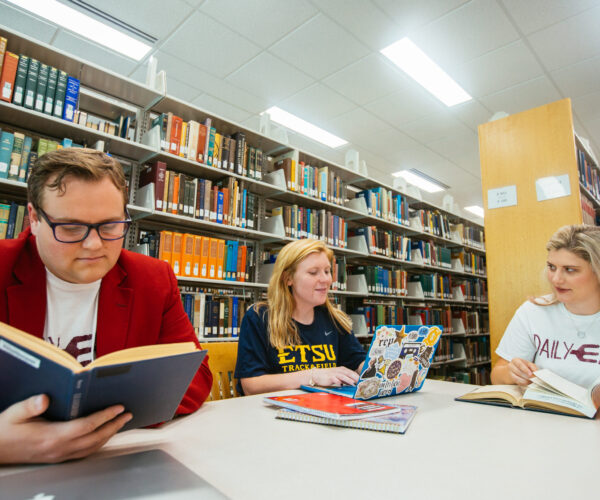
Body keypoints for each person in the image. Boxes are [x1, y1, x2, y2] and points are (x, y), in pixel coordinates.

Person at [0, 148, 212, 464]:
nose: (94, 245)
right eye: (71, 227)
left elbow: (194, 377)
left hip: (116, 459)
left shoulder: (152, 278)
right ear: (34, 218)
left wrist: (101, 423)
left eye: (110, 226)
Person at [234, 238, 365, 395]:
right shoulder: (258, 317)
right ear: (288, 278)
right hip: (272, 412)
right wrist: (313, 376)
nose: (325, 279)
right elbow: (251, 385)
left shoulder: (334, 319)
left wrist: (383, 368)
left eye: (327, 271)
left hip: (323, 408)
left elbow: (358, 362)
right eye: (313, 272)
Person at [491, 224, 600, 408]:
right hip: (543, 421)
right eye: (551, 267)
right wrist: (512, 373)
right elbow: (497, 375)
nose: (556, 279)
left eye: (570, 269)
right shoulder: (533, 312)